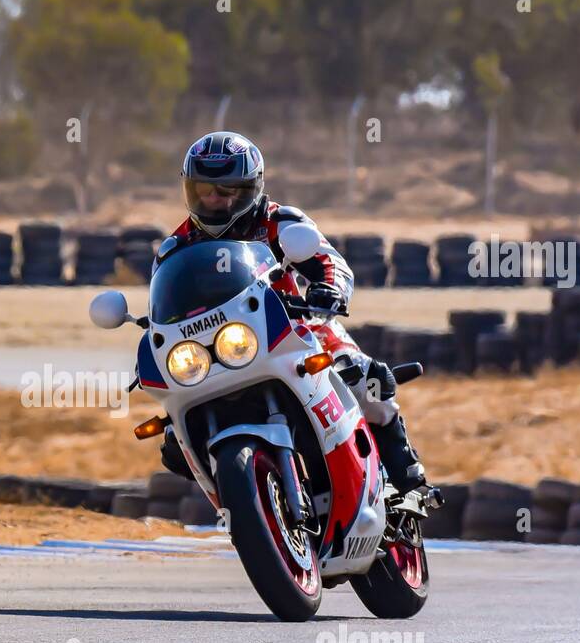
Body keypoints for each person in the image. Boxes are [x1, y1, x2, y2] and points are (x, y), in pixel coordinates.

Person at [157, 130, 426, 493]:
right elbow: (164, 306)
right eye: (204, 191)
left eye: (226, 192)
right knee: (175, 435)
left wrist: (329, 288)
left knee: (365, 379)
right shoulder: (175, 247)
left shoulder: (278, 220)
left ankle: (407, 473)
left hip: (298, 329)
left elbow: (328, 260)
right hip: (219, 350)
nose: (214, 202)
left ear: (251, 188)